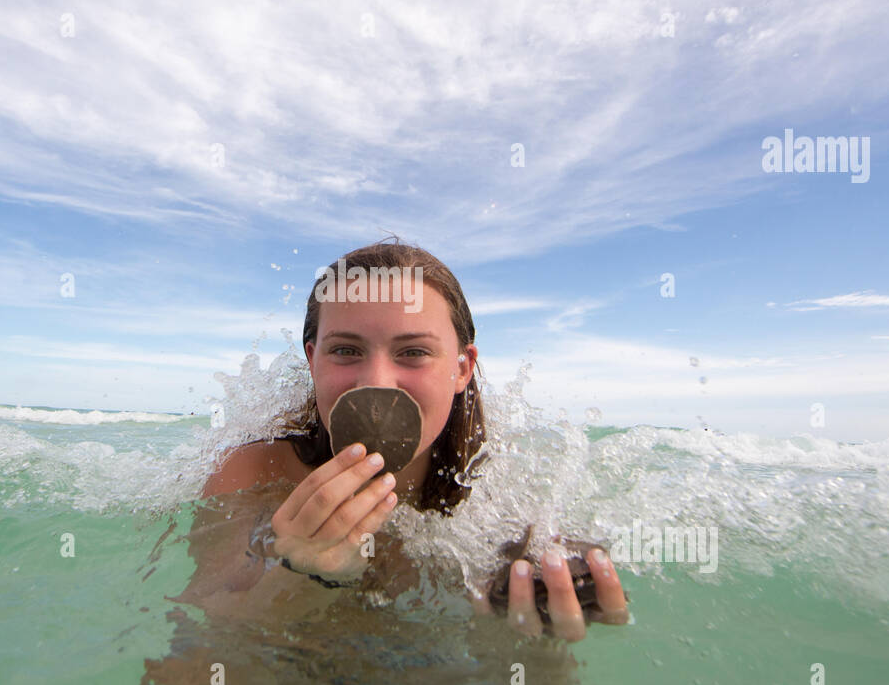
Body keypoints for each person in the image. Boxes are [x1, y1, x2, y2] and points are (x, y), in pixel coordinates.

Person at [187, 237, 629, 642]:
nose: (376, 382)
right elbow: (193, 670)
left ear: (461, 368)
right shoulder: (254, 473)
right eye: (345, 350)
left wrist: (538, 647)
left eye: (413, 352)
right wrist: (300, 576)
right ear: (312, 359)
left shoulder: (502, 508)